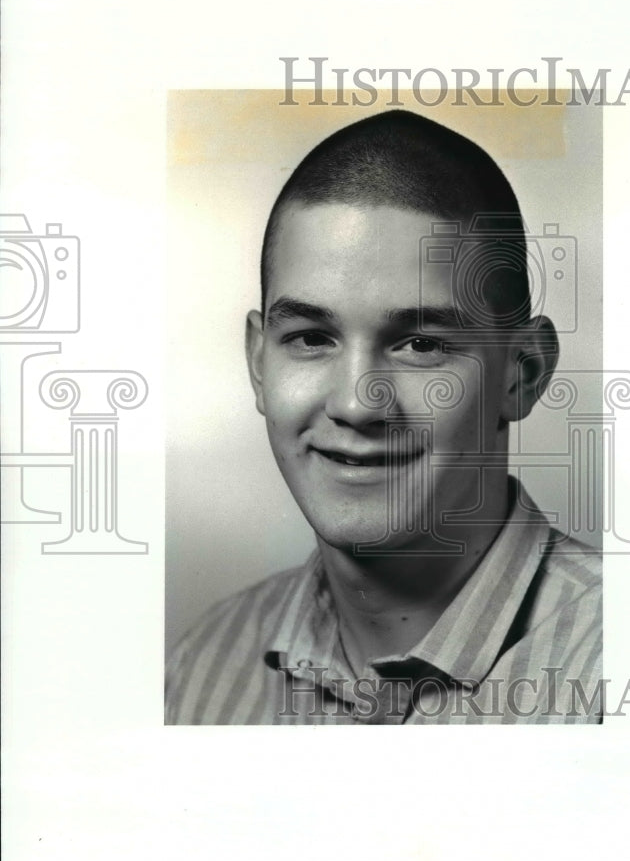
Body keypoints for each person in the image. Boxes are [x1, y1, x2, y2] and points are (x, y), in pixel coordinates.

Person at [165, 110, 602, 725]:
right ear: (259, 364)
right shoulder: (202, 669)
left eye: (421, 344)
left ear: (522, 373)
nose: (356, 404)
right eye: (312, 338)